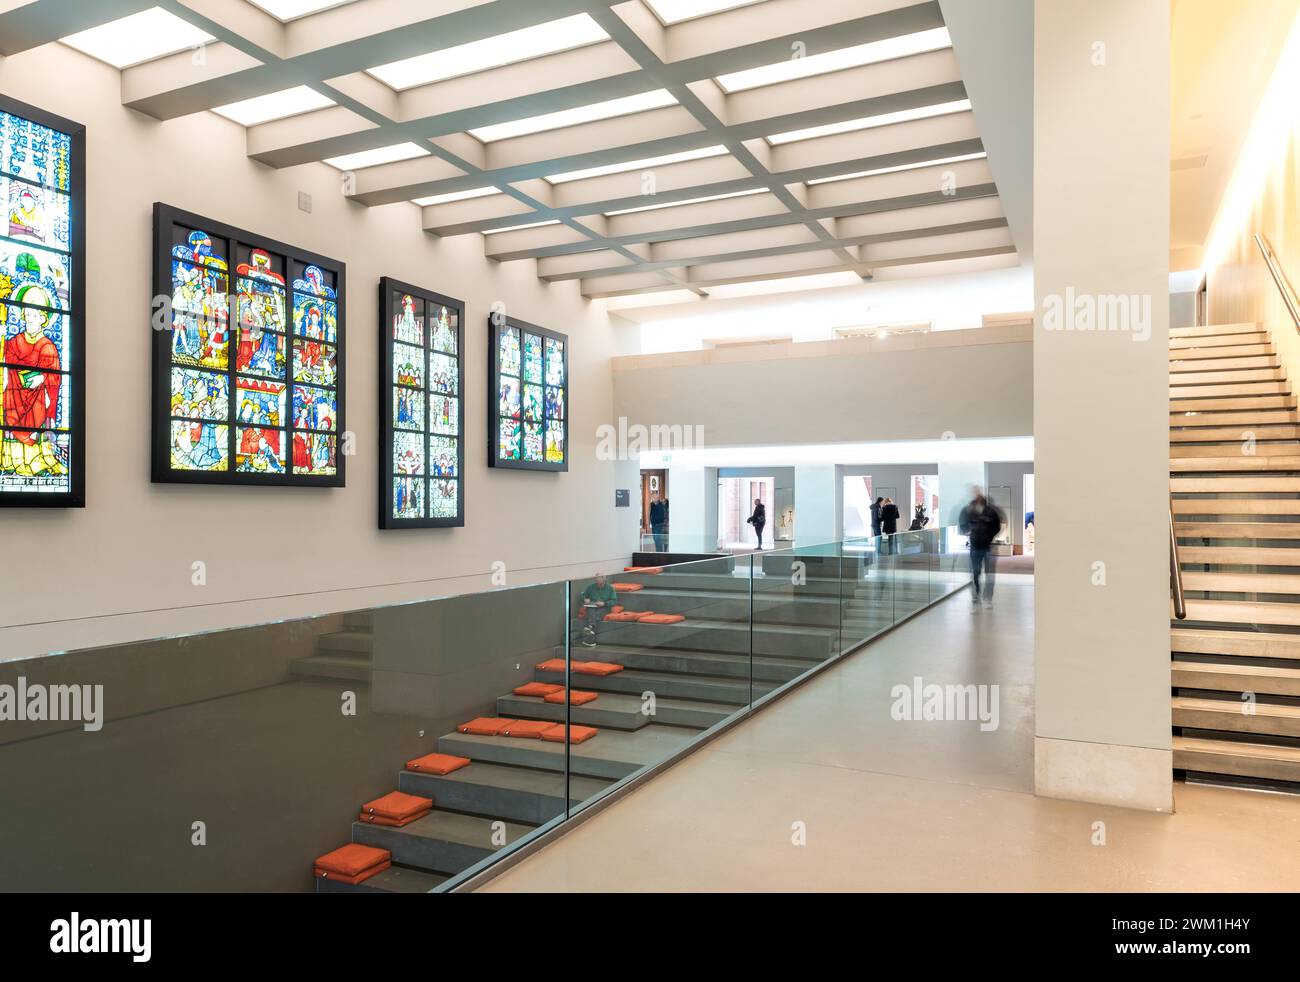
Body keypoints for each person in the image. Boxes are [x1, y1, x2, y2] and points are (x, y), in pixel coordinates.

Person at [958, 488, 1004, 610]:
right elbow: (962, 523)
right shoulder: (969, 511)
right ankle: (976, 595)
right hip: (975, 546)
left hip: (988, 547)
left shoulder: (990, 512)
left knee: (989, 575)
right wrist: (966, 531)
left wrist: (989, 536)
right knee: (975, 572)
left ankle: (988, 598)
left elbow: (997, 526)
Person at [577, 573, 618, 647]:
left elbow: (614, 601)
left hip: (604, 607)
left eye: (598, 578)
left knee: (597, 613)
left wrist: (604, 603)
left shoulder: (610, 588)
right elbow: (583, 595)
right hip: (592, 606)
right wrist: (585, 599)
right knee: (590, 609)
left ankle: (590, 629)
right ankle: (590, 629)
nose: (596, 579)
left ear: (604, 579)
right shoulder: (591, 587)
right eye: (596, 578)